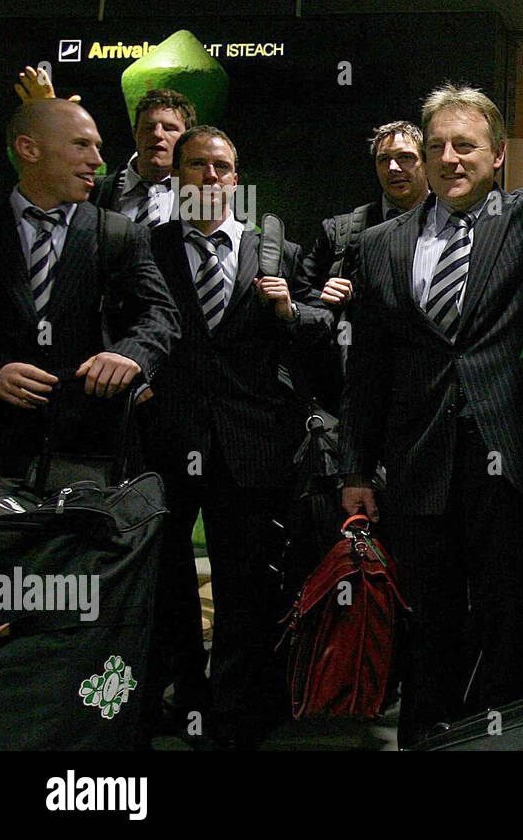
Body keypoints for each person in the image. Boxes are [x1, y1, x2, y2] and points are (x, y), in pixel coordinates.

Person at [338, 84, 523, 748]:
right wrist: (354, 464)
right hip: (419, 467)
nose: (449, 157)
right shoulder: (381, 243)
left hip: (513, 460)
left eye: (464, 145)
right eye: (437, 144)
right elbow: (367, 370)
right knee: (429, 627)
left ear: (498, 155)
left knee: (508, 625)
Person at [141, 125, 331, 749]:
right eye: (197, 165)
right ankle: (183, 699)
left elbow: (319, 329)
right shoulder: (147, 247)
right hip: (167, 443)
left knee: (244, 588)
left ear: (237, 175)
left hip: (252, 448)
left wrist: (289, 311)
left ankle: (234, 710)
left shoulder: (277, 252)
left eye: (223, 166)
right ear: (177, 175)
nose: (211, 177)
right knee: (169, 584)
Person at [0, 98, 179, 481]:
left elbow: (161, 314)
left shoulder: (117, 232)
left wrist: (130, 355)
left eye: (97, 147)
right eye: (81, 145)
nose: (97, 160)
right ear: (29, 148)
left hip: (86, 448)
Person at [300, 121, 430, 407]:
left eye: (405, 157)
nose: (393, 168)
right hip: (358, 388)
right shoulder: (342, 232)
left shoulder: (451, 226)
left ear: (427, 162)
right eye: (384, 160)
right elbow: (300, 298)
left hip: (430, 383)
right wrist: (326, 298)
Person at [91, 88, 196, 230]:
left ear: (186, 137)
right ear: (135, 133)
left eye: (169, 128)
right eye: (149, 127)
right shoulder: (97, 191)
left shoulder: (200, 194)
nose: (157, 134)